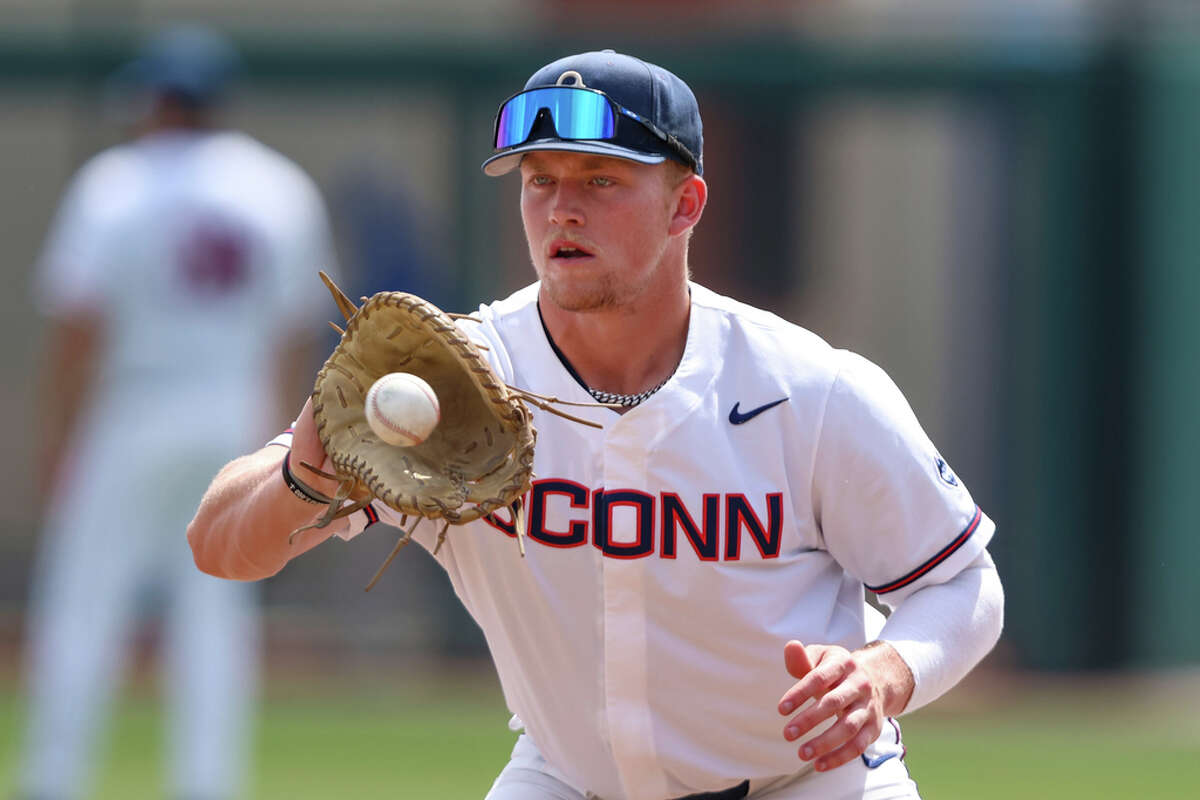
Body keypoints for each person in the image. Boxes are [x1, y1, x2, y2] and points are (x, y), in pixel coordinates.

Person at [187, 50, 1004, 800]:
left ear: (685, 204)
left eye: (601, 181)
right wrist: (305, 478)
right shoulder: (456, 386)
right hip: (566, 779)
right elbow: (218, 546)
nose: (562, 209)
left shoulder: (806, 389)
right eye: (538, 180)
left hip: (806, 783)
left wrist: (887, 671)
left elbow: (963, 582)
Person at [21, 24, 338, 800]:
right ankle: (207, 784)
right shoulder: (279, 186)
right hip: (233, 412)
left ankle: (53, 781)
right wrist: (277, 448)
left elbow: (77, 326)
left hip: (135, 406)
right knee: (217, 617)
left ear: (159, 100)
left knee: (84, 603)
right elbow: (293, 335)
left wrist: (57, 436)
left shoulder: (116, 181)